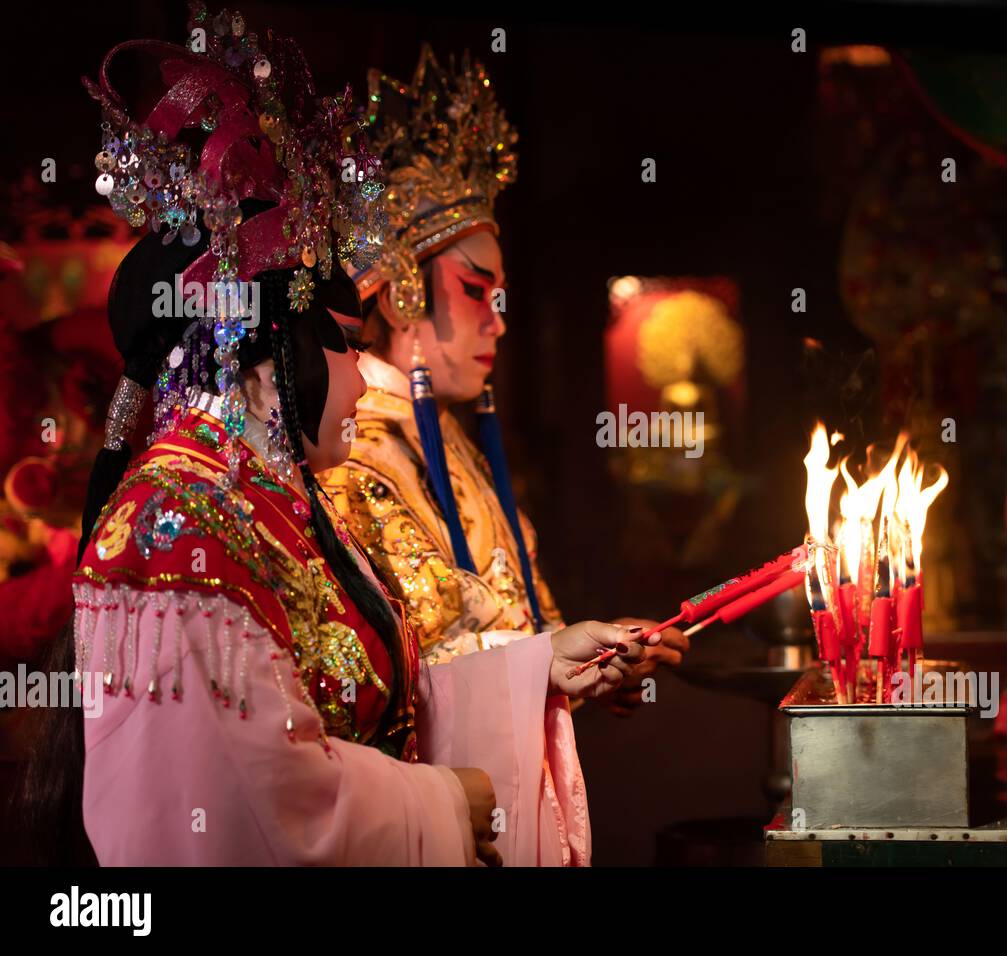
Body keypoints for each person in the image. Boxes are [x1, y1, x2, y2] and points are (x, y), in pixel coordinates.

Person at [25, 6, 652, 867]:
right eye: (348, 347)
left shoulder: (273, 503)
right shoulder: (180, 529)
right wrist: (442, 803)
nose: (364, 377)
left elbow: (378, 711)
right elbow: (242, 810)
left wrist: (534, 671)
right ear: (264, 348)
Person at [321, 47, 687, 714]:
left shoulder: (447, 441)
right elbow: (399, 681)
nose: (499, 323)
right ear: (403, 293)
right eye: (472, 290)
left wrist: (598, 661)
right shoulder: (347, 452)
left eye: (501, 297)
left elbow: (521, 636)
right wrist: (547, 664)